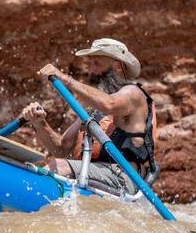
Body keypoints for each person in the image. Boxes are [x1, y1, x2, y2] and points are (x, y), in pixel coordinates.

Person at [18, 38, 157, 194]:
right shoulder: (93, 109)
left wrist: (64, 78)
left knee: (59, 166)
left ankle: (20, 198)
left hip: (124, 179)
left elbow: (109, 103)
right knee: (56, 164)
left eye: (96, 64)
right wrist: (39, 123)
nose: (91, 70)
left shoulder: (134, 94)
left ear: (118, 65)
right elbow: (61, 148)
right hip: (92, 174)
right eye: (89, 64)